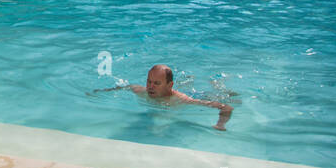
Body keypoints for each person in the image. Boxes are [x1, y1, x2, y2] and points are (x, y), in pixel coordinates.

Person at [99, 64, 234, 131]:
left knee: (223, 95)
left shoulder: (181, 100)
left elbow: (226, 107)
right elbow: (126, 86)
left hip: (196, 94)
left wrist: (220, 125)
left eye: (157, 83)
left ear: (170, 85)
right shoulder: (141, 91)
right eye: (149, 81)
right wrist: (101, 91)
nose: (151, 87)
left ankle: (216, 83)